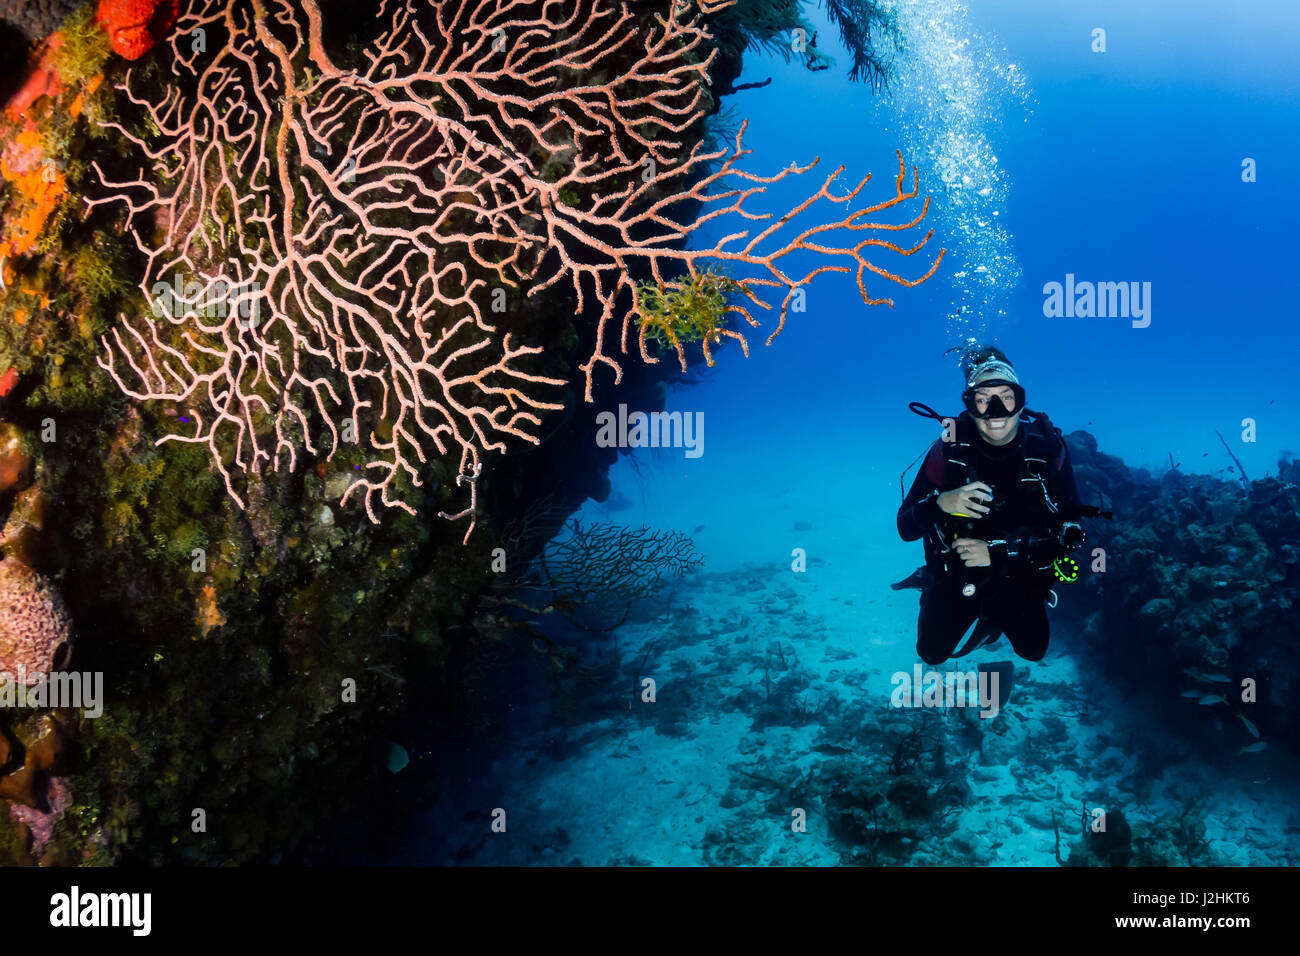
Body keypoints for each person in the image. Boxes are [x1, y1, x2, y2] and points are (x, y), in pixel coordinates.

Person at [894, 345, 1089, 666]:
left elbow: (1072, 533)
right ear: (969, 405)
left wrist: (999, 552)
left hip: (1019, 574)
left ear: (1020, 401)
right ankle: (931, 586)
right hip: (957, 575)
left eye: (1006, 397)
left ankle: (994, 618)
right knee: (931, 653)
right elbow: (905, 527)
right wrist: (941, 503)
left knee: (1033, 649)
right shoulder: (949, 453)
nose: (996, 412)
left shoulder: (1047, 451)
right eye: (983, 400)